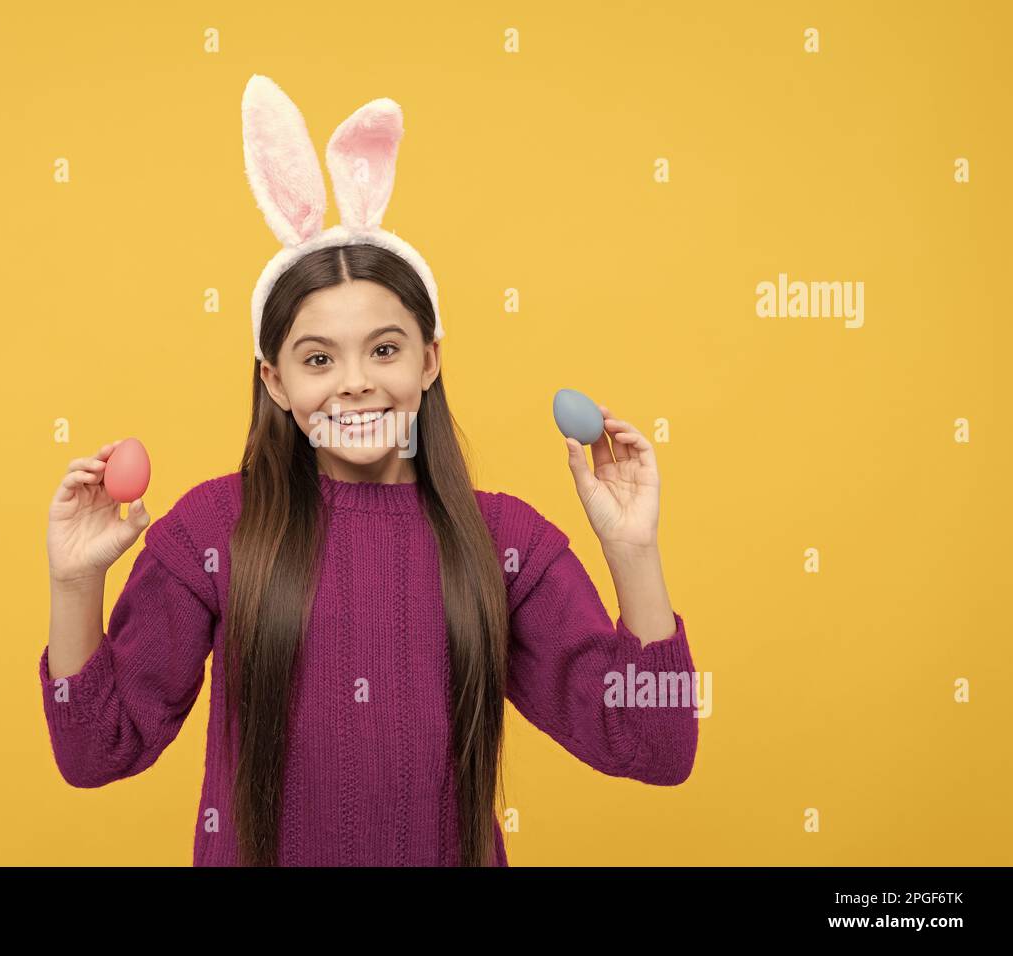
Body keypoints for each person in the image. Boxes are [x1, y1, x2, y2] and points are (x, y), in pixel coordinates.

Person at [38, 75, 698, 867]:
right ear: (275, 381)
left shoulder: (505, 543)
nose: (354, 382)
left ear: (429, 361)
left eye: (384, 349)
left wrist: (633, 550)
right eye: (318, 358)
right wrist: (75, 583)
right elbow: (97, 751)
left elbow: (656, 745)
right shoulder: (213, 531)